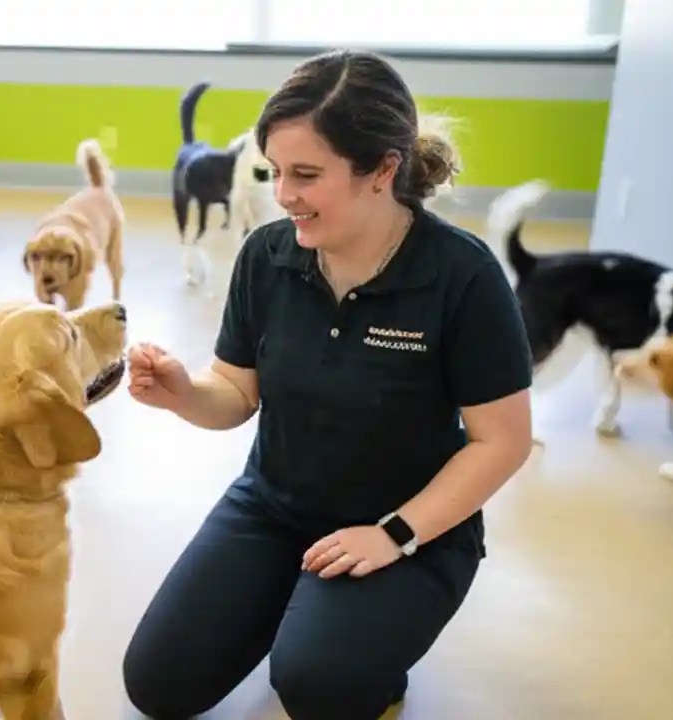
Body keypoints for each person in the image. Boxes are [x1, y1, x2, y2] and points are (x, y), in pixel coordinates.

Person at [121, 49, 534, 720]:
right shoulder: (267, 254)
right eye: (275, 171)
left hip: (406, 529)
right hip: (273, 509)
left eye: (306, 175)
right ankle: (301, 602)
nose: (283, 194)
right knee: (158, 685)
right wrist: (184, 394)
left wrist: (395, 533)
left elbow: (503, 442)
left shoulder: (462, 276)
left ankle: (360, 651)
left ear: (383, 171)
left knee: (320, 685)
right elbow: (235, 390)